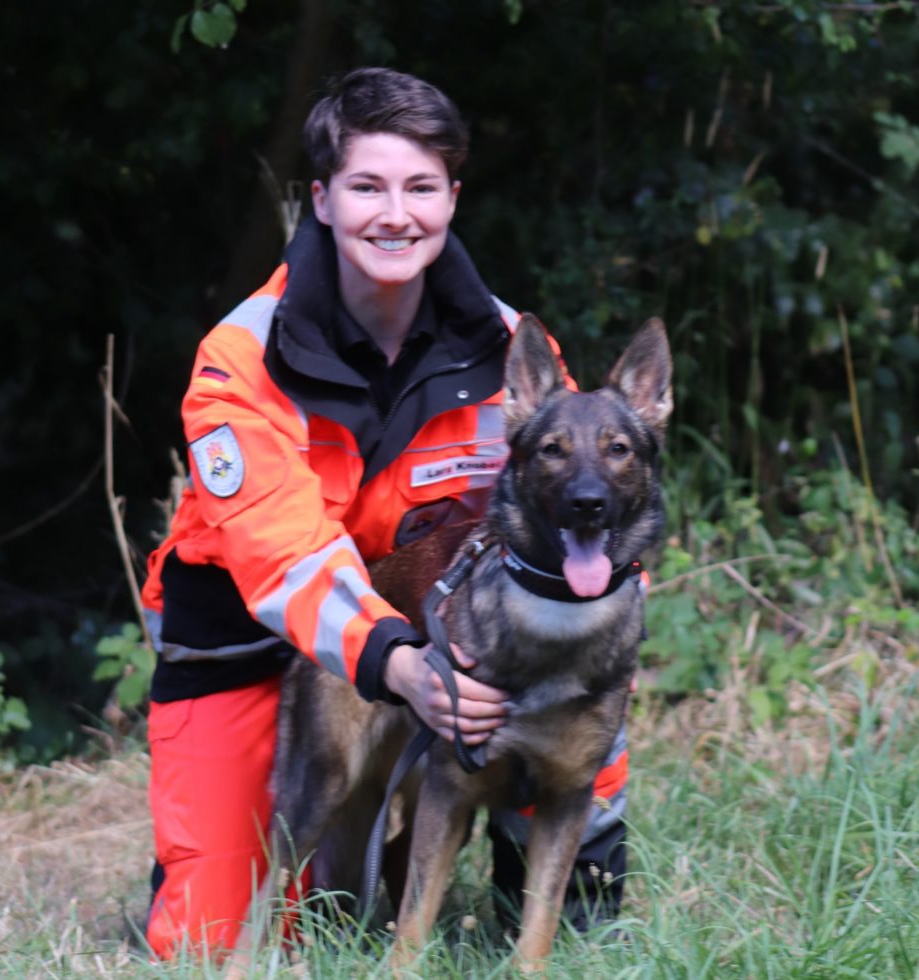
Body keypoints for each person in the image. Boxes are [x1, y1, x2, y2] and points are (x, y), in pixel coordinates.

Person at [140, 66, 629, 960]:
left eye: (420, 187)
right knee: (212, 941)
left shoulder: (515, 349)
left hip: (439, 618)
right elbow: (286, 561)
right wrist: (399, 666)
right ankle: (229, 844)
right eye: (367, 186)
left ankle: (559, 892)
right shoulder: (240, 359)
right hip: (251, 624)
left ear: (452, 196)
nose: (394, 214)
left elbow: (562, 524)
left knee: (578, 667)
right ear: (321, 199)